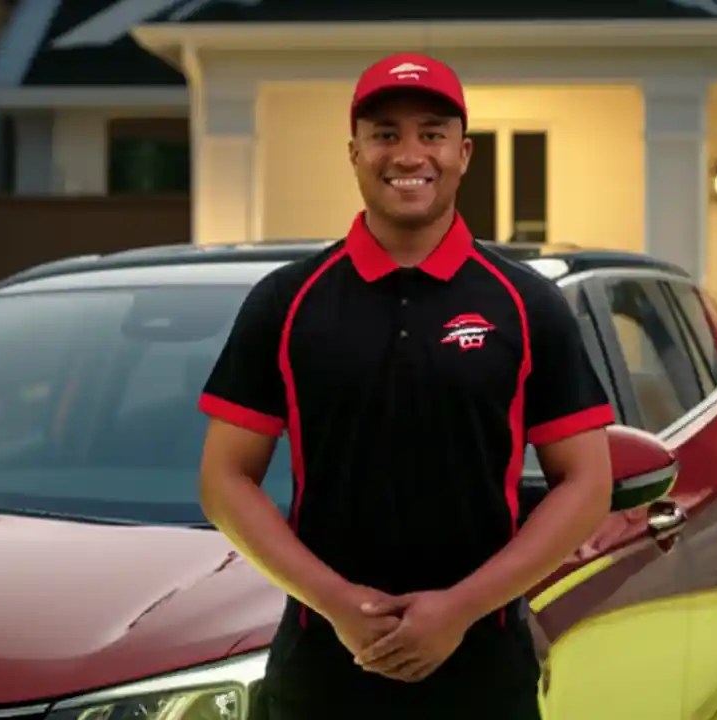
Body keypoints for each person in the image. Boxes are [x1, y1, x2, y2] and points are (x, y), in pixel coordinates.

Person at [197, 51, 615, 719]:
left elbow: (587, 481)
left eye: (431, 132)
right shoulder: (286, 302)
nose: (409, 152)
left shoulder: (525, 304)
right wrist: (338, 603)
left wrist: (459, 609)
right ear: (355, 152)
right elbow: (224, 479)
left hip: (483, 667)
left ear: (463, 152)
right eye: (385, 133)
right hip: (323, 669)